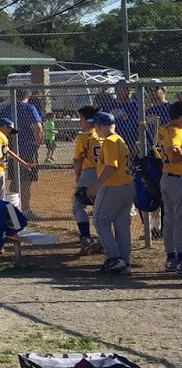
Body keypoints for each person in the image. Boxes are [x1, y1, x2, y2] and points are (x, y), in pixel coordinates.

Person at [89, 110, 134, 274]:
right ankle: (125, 262)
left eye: (95, 125)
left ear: (100, 126)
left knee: (100, 221)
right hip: (128, 186)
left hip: (113, 186)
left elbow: (111, 165)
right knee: (122, 224)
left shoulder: (109, 141)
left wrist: (96, 185)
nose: (94, 128)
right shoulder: (119, 139)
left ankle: (114, 258)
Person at [70, 104, 102, 255]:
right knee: (101, 207)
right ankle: (103, 240)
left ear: (88, 120)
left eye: (81, 118)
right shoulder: (105, 135)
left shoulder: (84, 137)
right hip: (107, 173)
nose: (79, 121)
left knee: (78, 204)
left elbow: (78, 160)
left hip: (89, 173)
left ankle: (86, 237)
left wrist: (77, 177)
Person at [156, 100, 182, 273]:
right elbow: (173, 152)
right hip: (177, 179)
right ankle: (180, 259)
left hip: (167, 177)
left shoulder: (163, 129)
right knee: (179, 221)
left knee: (170, 220)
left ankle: (171, 258)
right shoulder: (175, 131)